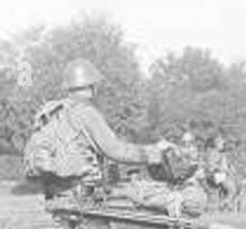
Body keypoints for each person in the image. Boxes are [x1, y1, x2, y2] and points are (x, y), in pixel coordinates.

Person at [50, 58, 204, 217]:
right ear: (91, 85)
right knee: (168, 195)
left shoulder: (61, 113)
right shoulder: (86, 113)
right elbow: (116, 150)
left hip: (64, 190)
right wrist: (154, 152)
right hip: (88, 192)